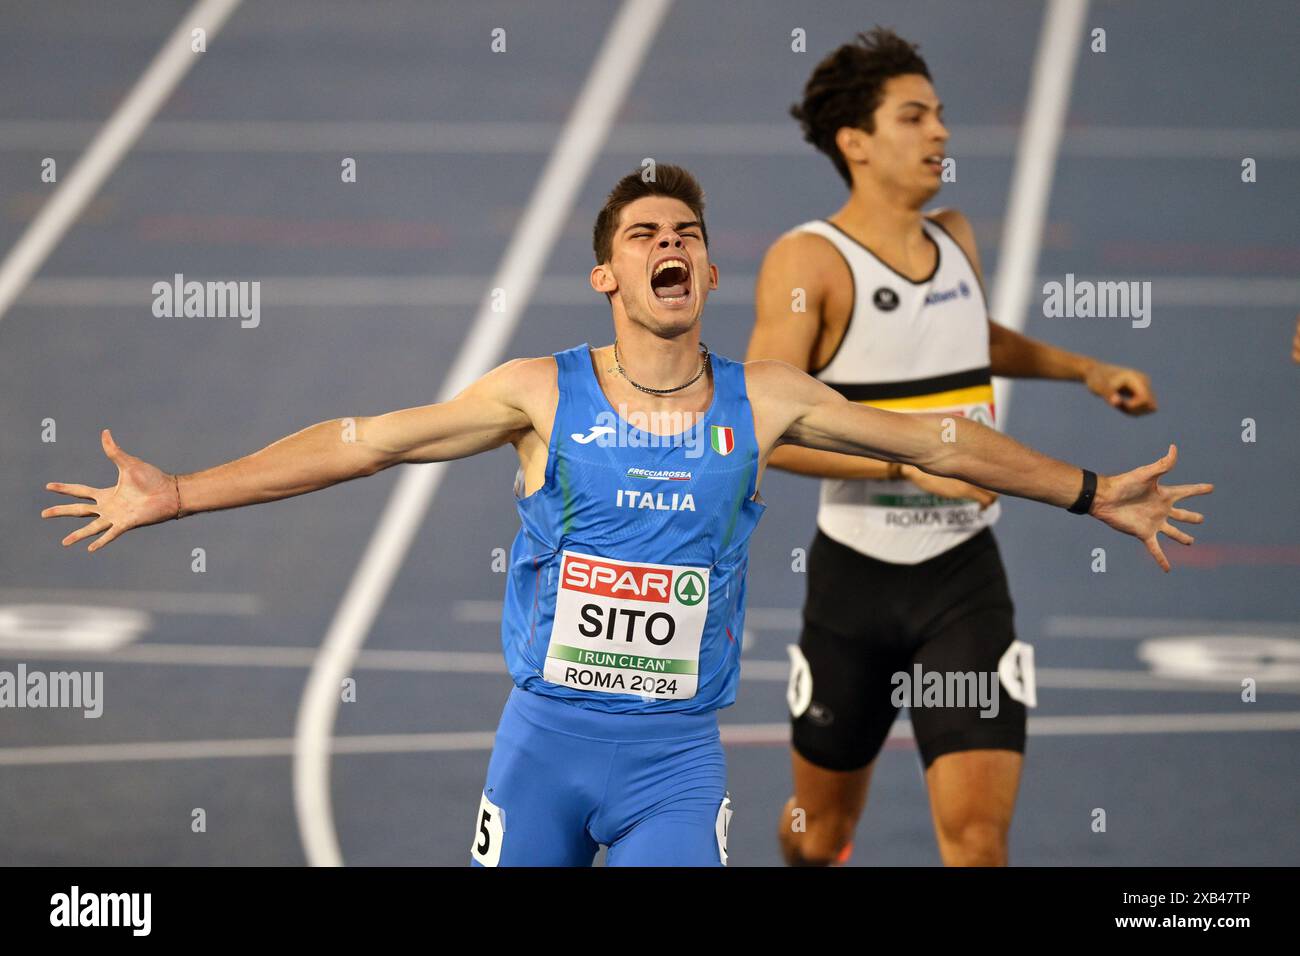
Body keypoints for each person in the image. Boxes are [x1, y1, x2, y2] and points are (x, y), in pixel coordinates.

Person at [42, 165, 1211, 867]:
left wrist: (1089, 489)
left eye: (686, 235)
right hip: (543, 746)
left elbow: (938, 439)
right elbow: (363, 442)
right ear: (607, 276)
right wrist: (181, 492)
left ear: (709, 276)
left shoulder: (768, 401)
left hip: (674, 763)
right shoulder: (538, 394)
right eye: (644, 235)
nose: (669, 245)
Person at [747, 28, 1167, 866]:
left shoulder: (955, 237)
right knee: (819, 834)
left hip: (963, 583)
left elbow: (974, 336)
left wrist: (1084, 369)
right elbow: (768, 431)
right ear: (856, 142)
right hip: (853, 584)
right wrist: (911, 462)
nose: (940, 131)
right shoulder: (809, 262)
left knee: (977, 845)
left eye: (939, 114)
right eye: (914, 117)